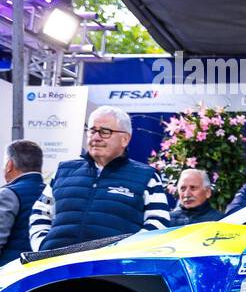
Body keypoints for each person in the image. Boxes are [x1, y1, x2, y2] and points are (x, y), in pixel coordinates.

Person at [30, 106, 170, 251]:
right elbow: (41, 211)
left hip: (111, 270)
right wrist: (42, 246)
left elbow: (158, 223)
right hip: (58, 269)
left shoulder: (146, 176)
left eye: (105, 132)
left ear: (125, 139)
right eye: (92, 130)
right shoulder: (63, 171)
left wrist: (128, 253)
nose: (96, 137)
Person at [0, 140, 45, 265]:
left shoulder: (7, 194)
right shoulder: (52, 193)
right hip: (40, 274)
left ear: (9, 165)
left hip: (10, 275)